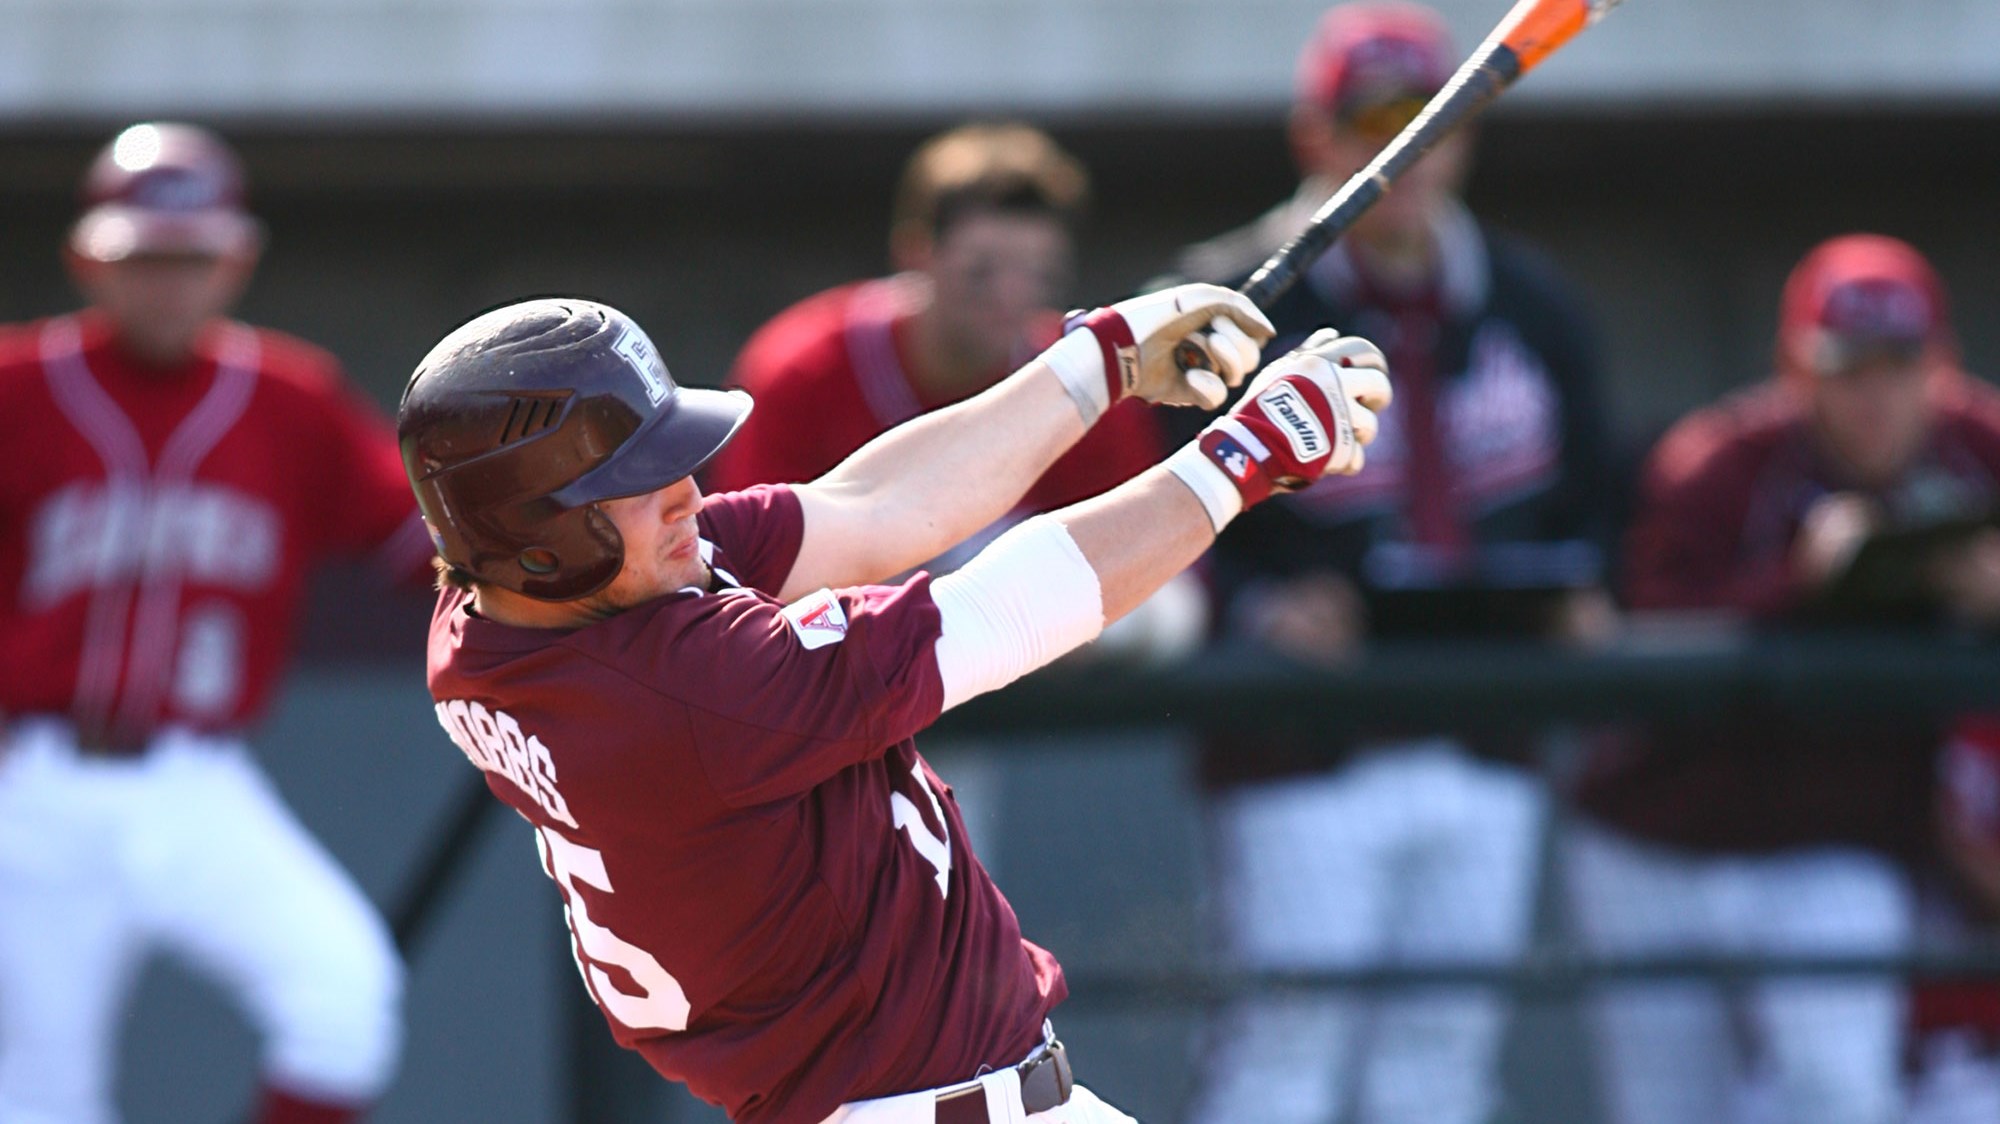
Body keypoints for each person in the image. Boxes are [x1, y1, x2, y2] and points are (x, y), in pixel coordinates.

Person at [396, 284, 1393, 1121]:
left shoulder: (498, 614)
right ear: (538, 537)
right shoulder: (687, 688)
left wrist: (1099, 361)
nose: (687, 492)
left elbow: (870, 508)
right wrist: (1240, 458)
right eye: (637, 481)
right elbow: (1006, 609)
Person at [1169, 5, 1612, 1123]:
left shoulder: (1532, 301)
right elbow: (1144, 512)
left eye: (1428, 123)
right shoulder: (1236, 302)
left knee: (1442, 1064)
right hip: (1303, 748)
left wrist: (1579, 589)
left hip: (1485, 733)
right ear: (1313, 138)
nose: (1402, 155)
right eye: (1374, 125)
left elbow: (1597, 496)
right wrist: (1258, 600)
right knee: (1283, 1058)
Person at [0, 123, 424, 1123]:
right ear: (88, 258)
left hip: (197, 779)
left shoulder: (291, 397)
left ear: (234, 258)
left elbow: (417, 546)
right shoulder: (18, 387)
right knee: (40, 1092)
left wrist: (549, 565)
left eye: (189, 258)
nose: (166, 282)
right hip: (33, 782)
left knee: (342, 995)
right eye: (143, 255)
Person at [1566, 233, 2000, 1124]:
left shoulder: (1981, 450)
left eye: (1899, 364)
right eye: (1847, 368)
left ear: (1942, 363)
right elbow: (1649, 648)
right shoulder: (1719, 464)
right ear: (1795, 370)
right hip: (1657, 843)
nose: (1874, 396)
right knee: (1666, 1110)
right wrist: (1799, 583)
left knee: (1838, 1091)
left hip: (1832, 849)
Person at [705, 122, 1203, 658]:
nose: (1013, 295)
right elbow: (737, 580)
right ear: (916, 251)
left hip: (1041, 703)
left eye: (1040, 274)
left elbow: (1172, 586)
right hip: (845, 699)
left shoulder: (1090, 384)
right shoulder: (800, 371)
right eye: (982, 271)